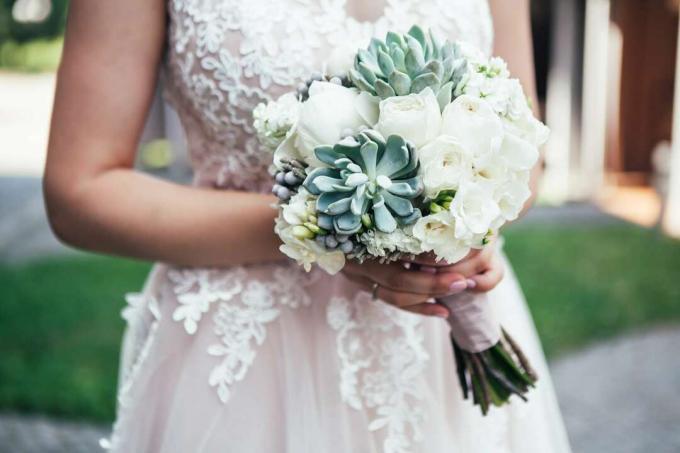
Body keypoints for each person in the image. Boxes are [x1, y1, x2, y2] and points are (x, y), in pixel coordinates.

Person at [44, 0, 572, 451]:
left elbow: (526, 151)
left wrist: (452, 215)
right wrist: (330, 225)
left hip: (433, 335)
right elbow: (81, 191)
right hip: (247, 359)